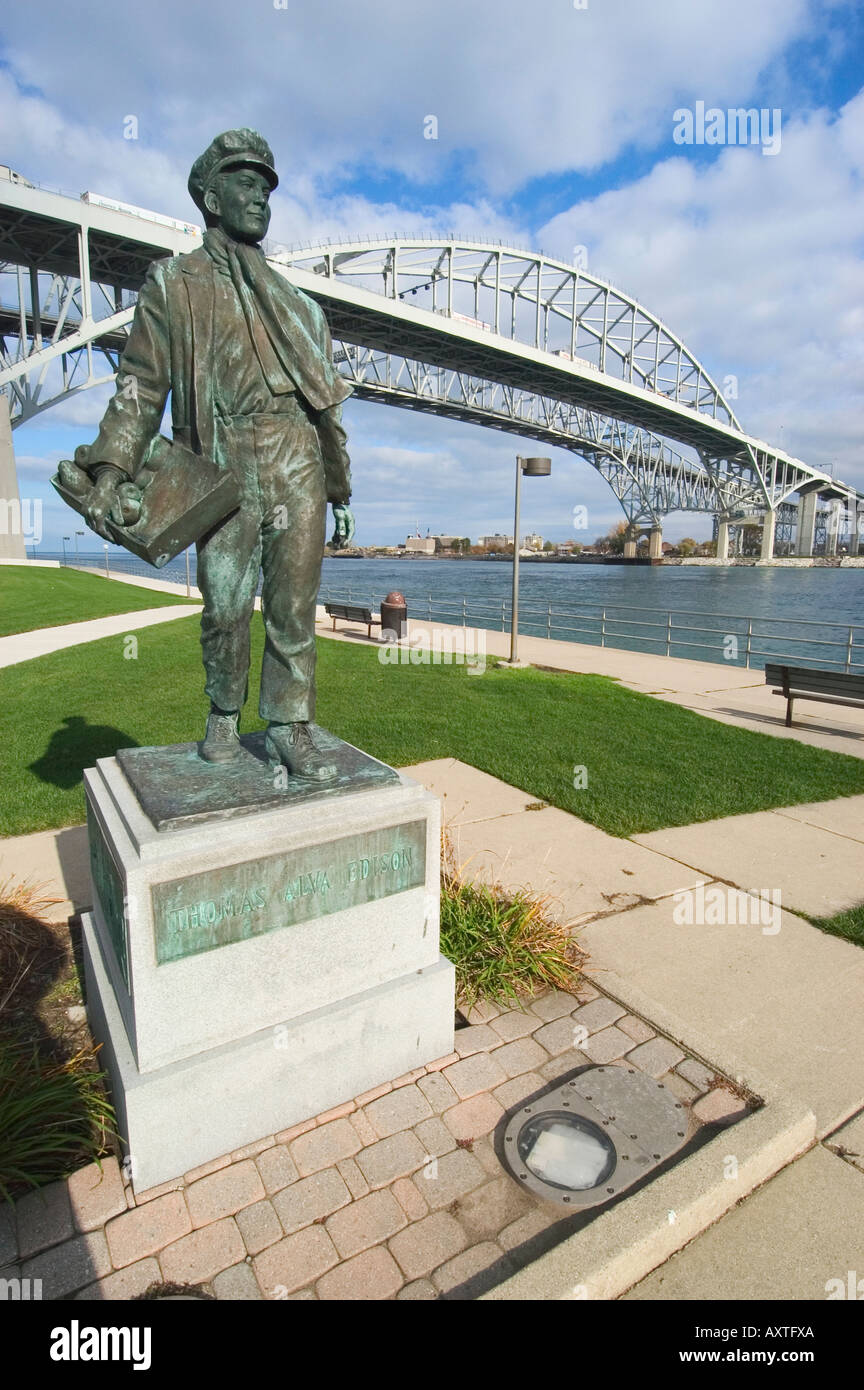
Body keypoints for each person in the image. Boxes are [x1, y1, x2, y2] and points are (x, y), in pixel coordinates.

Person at [82, 129, 355, 781]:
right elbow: (141, 384)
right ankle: (224, 717)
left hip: (297, 460)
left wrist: (338, 490)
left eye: (266, 185)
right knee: (226, 605)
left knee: (294, 603)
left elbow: (326, 408)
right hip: (225, 458)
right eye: (244, 182)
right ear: (210, 196)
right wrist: (112, 468)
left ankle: (289, 725)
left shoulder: (303, 308)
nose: (260, 194)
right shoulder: (173, 284)